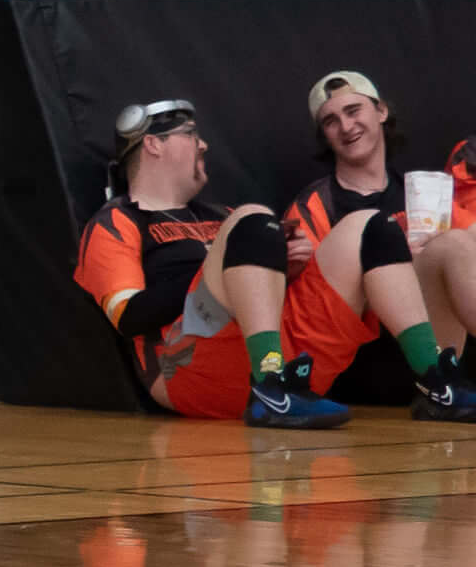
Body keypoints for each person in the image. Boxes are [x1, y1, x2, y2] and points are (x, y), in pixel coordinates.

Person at [76, 98, 365, 427]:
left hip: (266, 349)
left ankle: (432, 375)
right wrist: (225, 261)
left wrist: (285, 266)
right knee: (253, 218)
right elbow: (129, 317)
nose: (204, 144)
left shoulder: (221, 215)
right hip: (186, 369)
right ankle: (270, 387)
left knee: (368, 228)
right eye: (190, 134)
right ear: (153, 144)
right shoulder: (117, 220)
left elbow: (255, 294)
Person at [278, 71, 476, 419]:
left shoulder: (420, 192)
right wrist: (394, 269)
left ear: (381, 111)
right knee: (394, 247)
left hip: (435, 362)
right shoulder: (314, 205)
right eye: (331, 121)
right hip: (362, 363)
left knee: (457, 243)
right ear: (324, 135)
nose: (346, 126)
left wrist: (433, 255)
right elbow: (311, 310)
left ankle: (440, 384)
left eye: (354, 110)